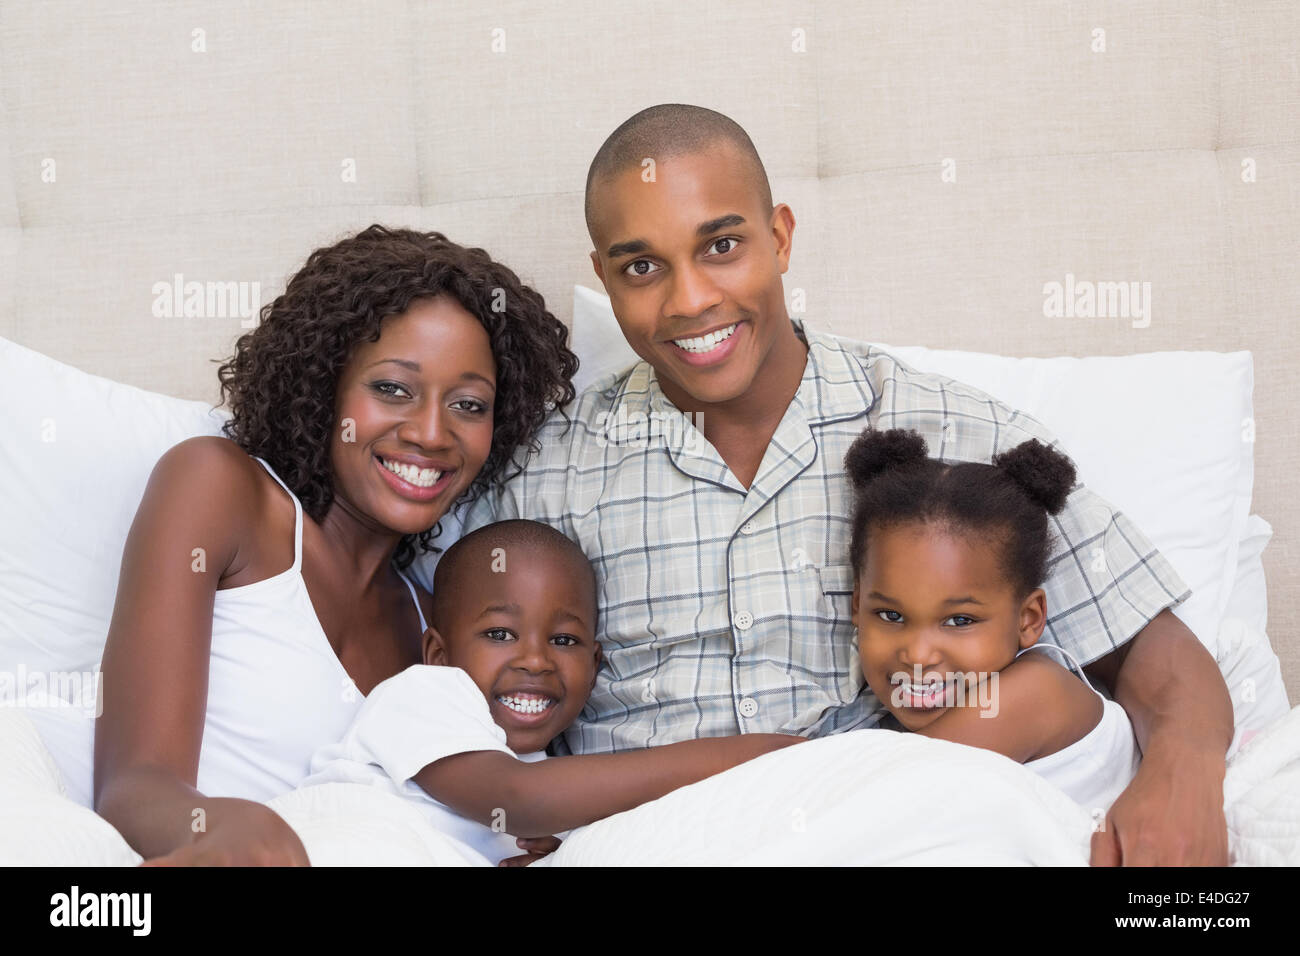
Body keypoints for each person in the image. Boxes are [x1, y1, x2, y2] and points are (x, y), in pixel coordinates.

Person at [459, 103, 1235, 865]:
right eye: (641, 267)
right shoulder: (544, 470)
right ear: (603, 275)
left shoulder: (955, 433)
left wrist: (1184, 771)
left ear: (781, 237)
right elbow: (444, 675)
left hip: (882, 839)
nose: (690, 300)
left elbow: (1154, 655)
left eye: (722, 246)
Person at [94, 225, 578, 865]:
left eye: (468, 404)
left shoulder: (437, 628)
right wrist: (225, 831)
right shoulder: (221, 491)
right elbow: (133, 788)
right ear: (323, 386)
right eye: (392, 389)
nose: (432, 434)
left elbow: (479, 805)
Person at [301, 518, 804, 866]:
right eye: (500, 634)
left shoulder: (552, 787)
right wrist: (758, 754)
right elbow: (516, 797)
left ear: (594, 665)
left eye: (564, 640)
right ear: (438, 652)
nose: (536, 660)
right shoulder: (423, 696)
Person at [846, 427, 1139, 815]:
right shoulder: (895, 727)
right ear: (856, 605)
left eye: (960, 620)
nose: (917, 653)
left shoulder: (1036, 691)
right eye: (891, 615)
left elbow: (878, 793)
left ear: (1028, 619)